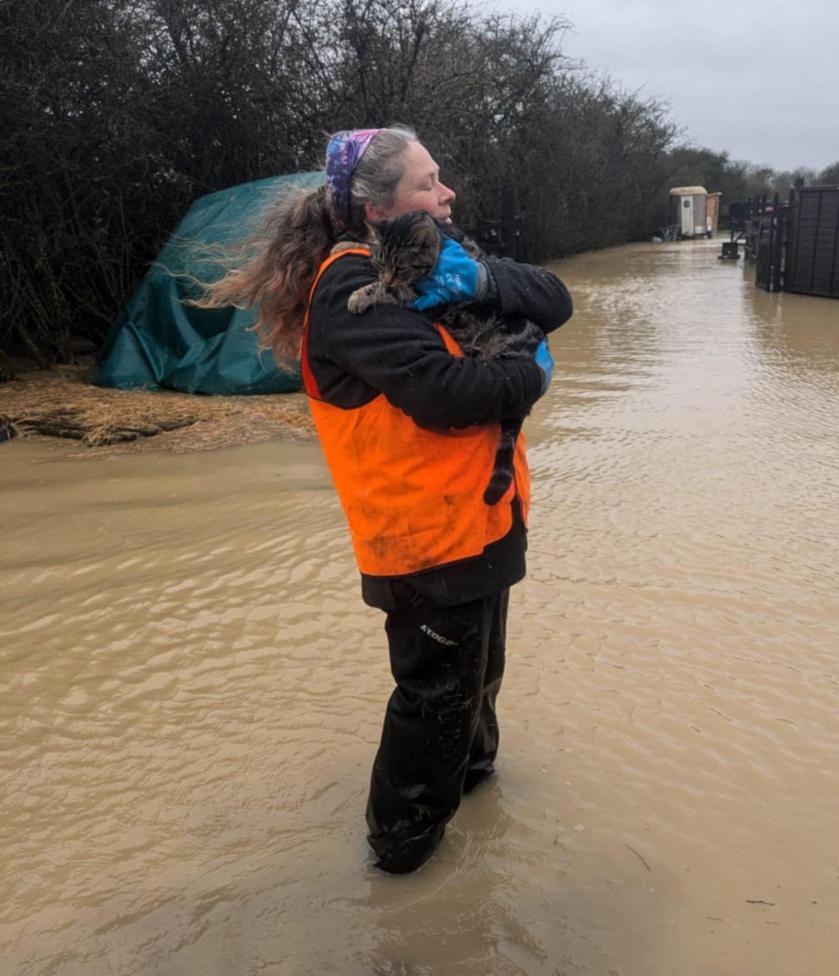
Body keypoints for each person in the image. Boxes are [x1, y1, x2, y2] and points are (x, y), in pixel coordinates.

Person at [203, 125, 572, 873]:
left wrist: (484, 284)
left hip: (483, 523)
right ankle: (400, 863)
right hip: (424, 544)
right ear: (379, 209)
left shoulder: (441, 254)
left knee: (477, 684)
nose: (448, 193)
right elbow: (448, 395)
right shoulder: (347, 291)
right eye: (429, 183)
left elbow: (556, 297)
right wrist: (531, 374)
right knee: (433, 700)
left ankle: (473, 796)